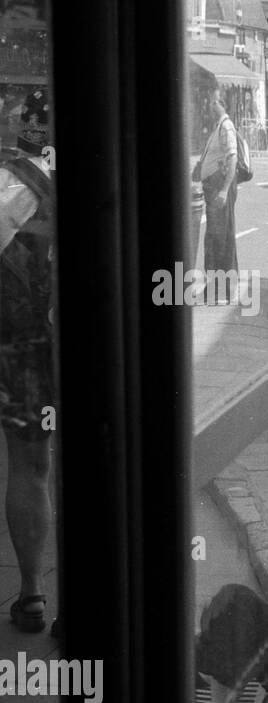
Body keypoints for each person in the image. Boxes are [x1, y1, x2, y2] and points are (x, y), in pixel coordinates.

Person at [1, 90, 56, 636]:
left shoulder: (14, 183)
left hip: (24, 351)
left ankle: (33, 594)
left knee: (29, 468)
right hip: (95, 344)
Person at [197, 89, 239, 302]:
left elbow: (232, 158)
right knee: (215, 238)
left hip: (220, 189)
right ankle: (215, 290)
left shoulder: (226, 127)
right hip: (213, 189)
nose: (209, 106)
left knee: (220, 239)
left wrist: (223, 190)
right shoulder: (218, 128)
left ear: (220, 104)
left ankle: (222, 292)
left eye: (212, 102)